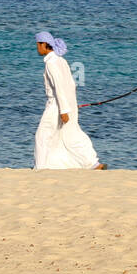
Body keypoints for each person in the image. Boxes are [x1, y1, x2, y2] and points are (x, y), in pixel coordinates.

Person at [33, 31, 105, 170]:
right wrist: (71, 105)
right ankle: (92, 163)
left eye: (38, 44)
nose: (37, 48)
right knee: (71, 134)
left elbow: (59, 87)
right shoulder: (61, 61)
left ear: (44, 44)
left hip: (56, 106)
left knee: (42, 136)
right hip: (66, 104)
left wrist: (64, 110)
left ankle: (40, 167)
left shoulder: (51, 63)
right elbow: (71, 85)